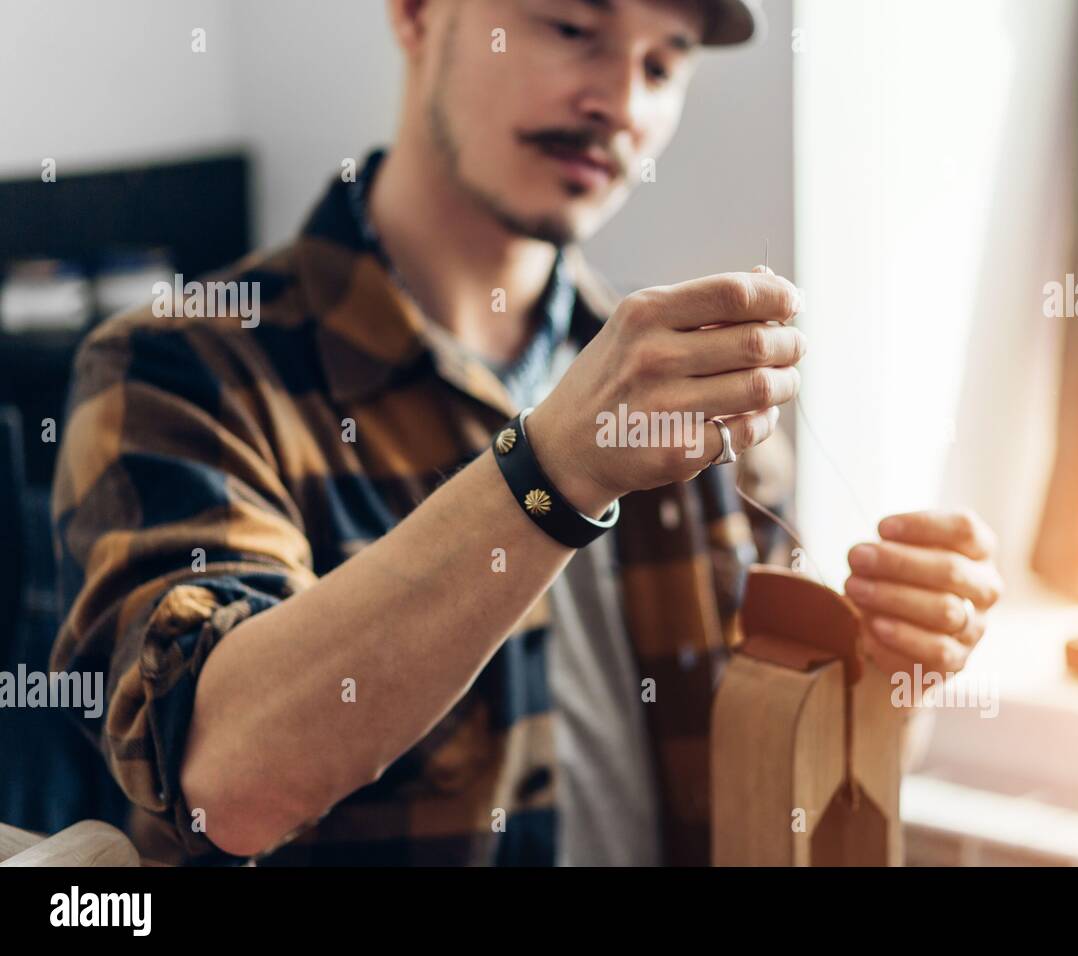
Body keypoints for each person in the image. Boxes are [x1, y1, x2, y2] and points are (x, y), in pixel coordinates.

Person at [51, 0, 1002, 866]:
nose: (622, 103)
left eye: (663, 66)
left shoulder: (696, 393)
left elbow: (772, 772)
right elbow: (226, 782)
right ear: (417, 15)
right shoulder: (179, 371)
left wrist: (886, 673)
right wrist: (551, 473)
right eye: (569, 28)